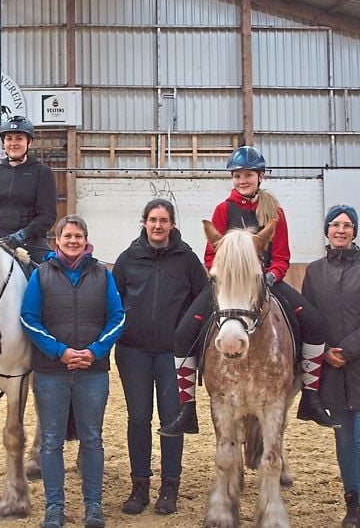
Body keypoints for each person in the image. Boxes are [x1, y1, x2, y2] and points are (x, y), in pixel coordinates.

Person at [159, 145, 338, 435]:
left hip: (265, 282)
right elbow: (210, 254)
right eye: (238, 175)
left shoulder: (274, 211)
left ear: (260, 176)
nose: (243, 180)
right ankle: (187, 407)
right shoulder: (222, 210)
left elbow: (281, 256)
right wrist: (223, 274)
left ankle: (311, 396)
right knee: (182, 335)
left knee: (315, 324)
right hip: (229, 286)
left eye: (248, 175)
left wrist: (271, 275)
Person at [20, 215, 125, 528]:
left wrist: (93, 352)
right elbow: (28, 318)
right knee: (51, 442)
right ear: (57, 240)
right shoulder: (41, 275)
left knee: (92, 440)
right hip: (51, 373)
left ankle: (93, 506)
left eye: (78, 236)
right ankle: (55, 507)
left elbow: (117, 317)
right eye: (67, 236)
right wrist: (60, 352)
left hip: (93, 372)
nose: (73, 241)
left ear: (86, 240)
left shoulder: (103, 275)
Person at [111, 198, 208, 516]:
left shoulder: (188, 260)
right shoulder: (128, 259)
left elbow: (202, 302)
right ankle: (139, 486)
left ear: (172, 224)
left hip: (174, 356)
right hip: (133, 352)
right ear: (144, 222)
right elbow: (114, 302)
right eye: (152, 220)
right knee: (138, 419)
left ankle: (170, 488)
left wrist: (191, 341)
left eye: (163, 220)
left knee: (171, 421)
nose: (157, 225)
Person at [302, 205, 360, 528]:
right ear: (327, 230)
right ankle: (351, 501)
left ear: (354, 232)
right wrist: (325, 350)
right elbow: (309, 317)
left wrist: (348, 349)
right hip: (332, 371)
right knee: (344, 440)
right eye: (335, 224)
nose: (340, 230)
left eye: (347, 225)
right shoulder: (314, 272)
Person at [0, 115, 58, 265]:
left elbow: (47, 215)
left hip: (30, 243)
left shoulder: (42, 173)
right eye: (9, 139)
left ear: (29, 142)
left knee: (52, 276)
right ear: (4, 143)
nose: (13, 143)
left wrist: (22, 235)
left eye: (19, 138)